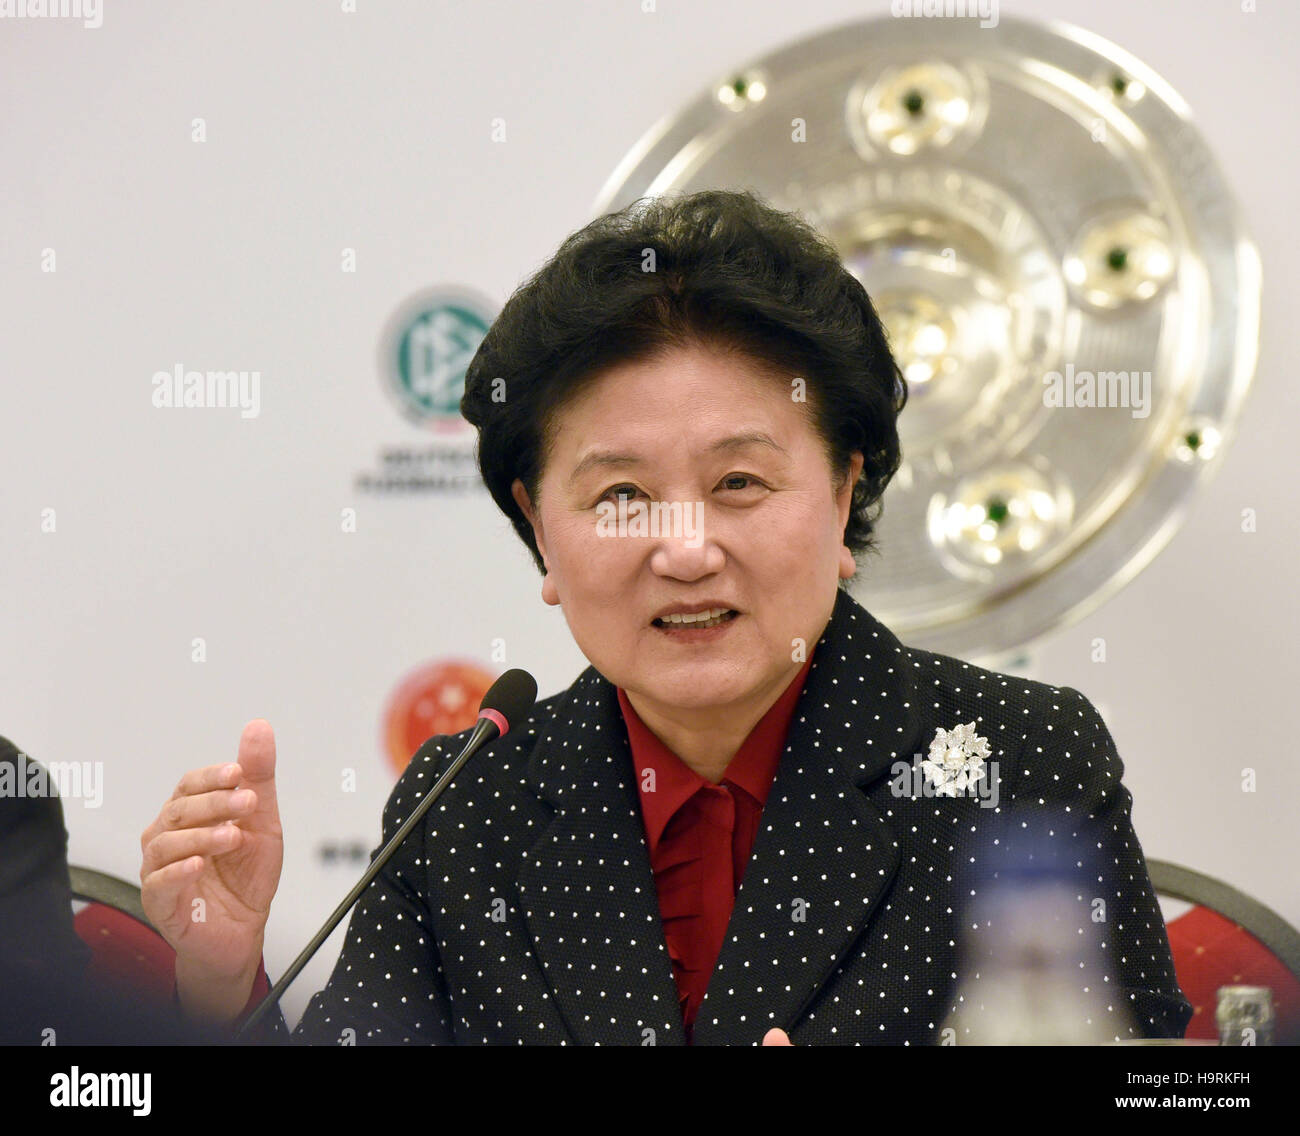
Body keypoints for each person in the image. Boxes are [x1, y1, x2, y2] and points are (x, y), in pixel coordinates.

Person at [139, 189, 1192, 1045]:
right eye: (619, 497)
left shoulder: (1015, 762)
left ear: (840, 497)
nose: (684, 547)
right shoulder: (472, 799)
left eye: (739, 480)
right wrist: (225, 984)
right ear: (539, 530)